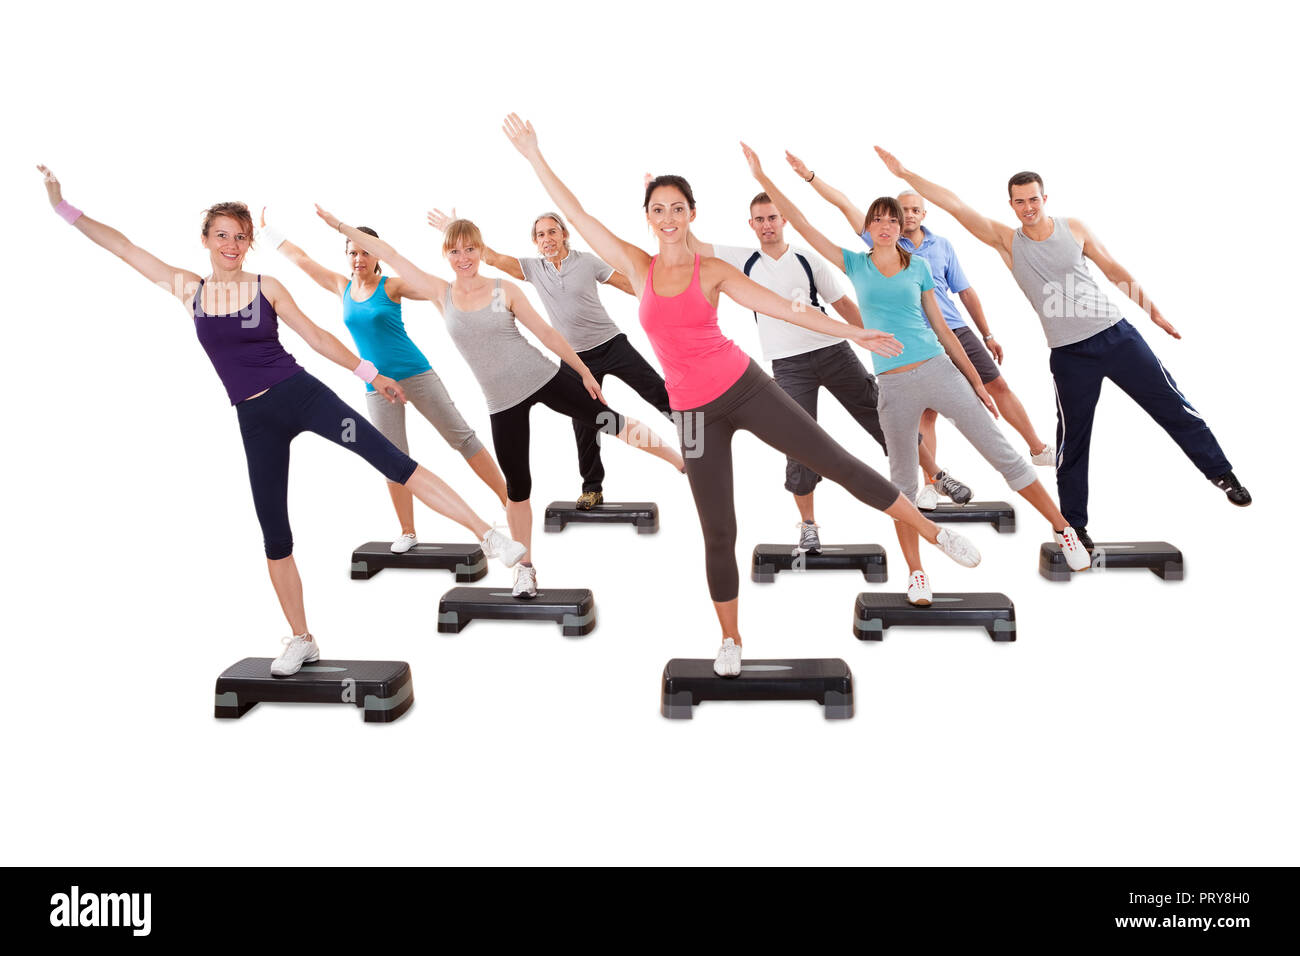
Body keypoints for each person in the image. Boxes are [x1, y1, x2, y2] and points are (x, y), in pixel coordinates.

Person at [502, 113, 983, 676]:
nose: (667, 218)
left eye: (677, 208)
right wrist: (535, 156)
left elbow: (789, 308)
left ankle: (935, 532)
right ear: (648, 217)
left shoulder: (713, 269)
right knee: (719, 529)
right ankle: (729, 639)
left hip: (744, 386)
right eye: (657, 209)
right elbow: (579, 216)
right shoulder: (637, 264)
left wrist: (853, 331)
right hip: (693, 414)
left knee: (834, 459)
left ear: (692, 214)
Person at [36, 167, 526, 676]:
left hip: (303, 396)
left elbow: (315, 336)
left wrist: (370, 373)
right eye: (222, 235)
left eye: (240, 237)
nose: (231, 243)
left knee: (391, 458)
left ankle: (486, 534)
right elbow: (124, 247)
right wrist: (63, 209)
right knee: (274, 530)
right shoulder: (190, 290)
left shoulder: (266, 286)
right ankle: (301, 638)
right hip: (255, 419)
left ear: (249, 244)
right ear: (205, 240)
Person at [741, 147, 1091, 602]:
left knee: (1001, 452)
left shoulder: (921, 266)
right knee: (901, 484)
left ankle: (1063, 529)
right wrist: (764, 176)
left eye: (893, 220)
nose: (886, 226)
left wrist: (977, 384)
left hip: (938, 369)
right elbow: (803, 222)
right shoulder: (855, 264)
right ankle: (917, 573)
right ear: (868, 229)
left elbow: (943, 328)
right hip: (892, 385)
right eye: (878, 220)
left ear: (900, 227)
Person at [871, 147, 1251, 546]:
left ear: (1044, 198)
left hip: (1117, 335)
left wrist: (1152, 311)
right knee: (1073, 440)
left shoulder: (1074, 228)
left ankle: (1221, 473)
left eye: (1033, 199)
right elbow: (956, 206)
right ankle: (1074, 526)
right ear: (1012, 205)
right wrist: (905, 173)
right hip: (1070, 355)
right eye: (1020, 202)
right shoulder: (1007, 241)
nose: (1028, 207)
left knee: (1172, 406)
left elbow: (1113, 269)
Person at [315, 206, 684, 599]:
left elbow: (546, 333)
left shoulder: (503, 290)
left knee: (608, 421)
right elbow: (388, 253)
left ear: (479, 250)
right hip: (502, 402)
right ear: (447, 256)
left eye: (470, 249)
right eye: (455, 251)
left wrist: (584, 371)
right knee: (518, 488)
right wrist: (340, 226)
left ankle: (681, 463)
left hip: (542, 376)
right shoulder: (441, 294)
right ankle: (525, 570)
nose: (464, 258)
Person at [688, 192, 960, 550]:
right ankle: (808, 524)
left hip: (833, 352)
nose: (767, 225)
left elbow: (842, 303)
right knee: (797, 442)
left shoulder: (807, 259)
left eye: (773, 217)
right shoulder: (741, 260)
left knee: (884, 419)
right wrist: (663, 199)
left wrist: (872, 338)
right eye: (760, 219)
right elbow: (692, 244)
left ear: (784, 220)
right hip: (788, 364)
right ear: (751, 224)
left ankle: (936, 475)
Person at [784, 152, 1053, 504]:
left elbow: (965, 291)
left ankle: (1036, 448)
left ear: (922, 214)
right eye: (901, 211)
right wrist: (809, 176)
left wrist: (986, 333)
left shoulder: (939, 247)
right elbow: (842, 204)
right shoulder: (877, 244)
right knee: (925, 413)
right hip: (915, 345)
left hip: (952, 329)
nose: (906, 216)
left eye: (914, 210)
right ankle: (932, 481)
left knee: (995, 385)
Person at [261, 210, 508, 553]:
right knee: (392, 457)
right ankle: (408, 531)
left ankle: (508, 500)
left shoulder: (391, 286)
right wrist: (268, 232)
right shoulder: (341, 286)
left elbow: (437, 288)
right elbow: (301, 259)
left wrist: (460, 252)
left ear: (376, 254)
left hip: (416, 373)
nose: (359, 258)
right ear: (347, 256)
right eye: (353, 252)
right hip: (376, 384)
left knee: (461, 437)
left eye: (365, 251)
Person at [427, 207, 673, 511]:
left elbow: (625, 283)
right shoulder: (532, 269)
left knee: (657, 391)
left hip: (611, 343)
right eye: (541, 234)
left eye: (552, 232)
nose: (547, 239)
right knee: (586, 423)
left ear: (564, 234)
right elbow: (489, 257)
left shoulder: (587, 261)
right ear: (535, 241)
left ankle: (697, 438)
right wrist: (456, 230)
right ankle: (592, 489)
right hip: (573, 355)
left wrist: (663, 297)